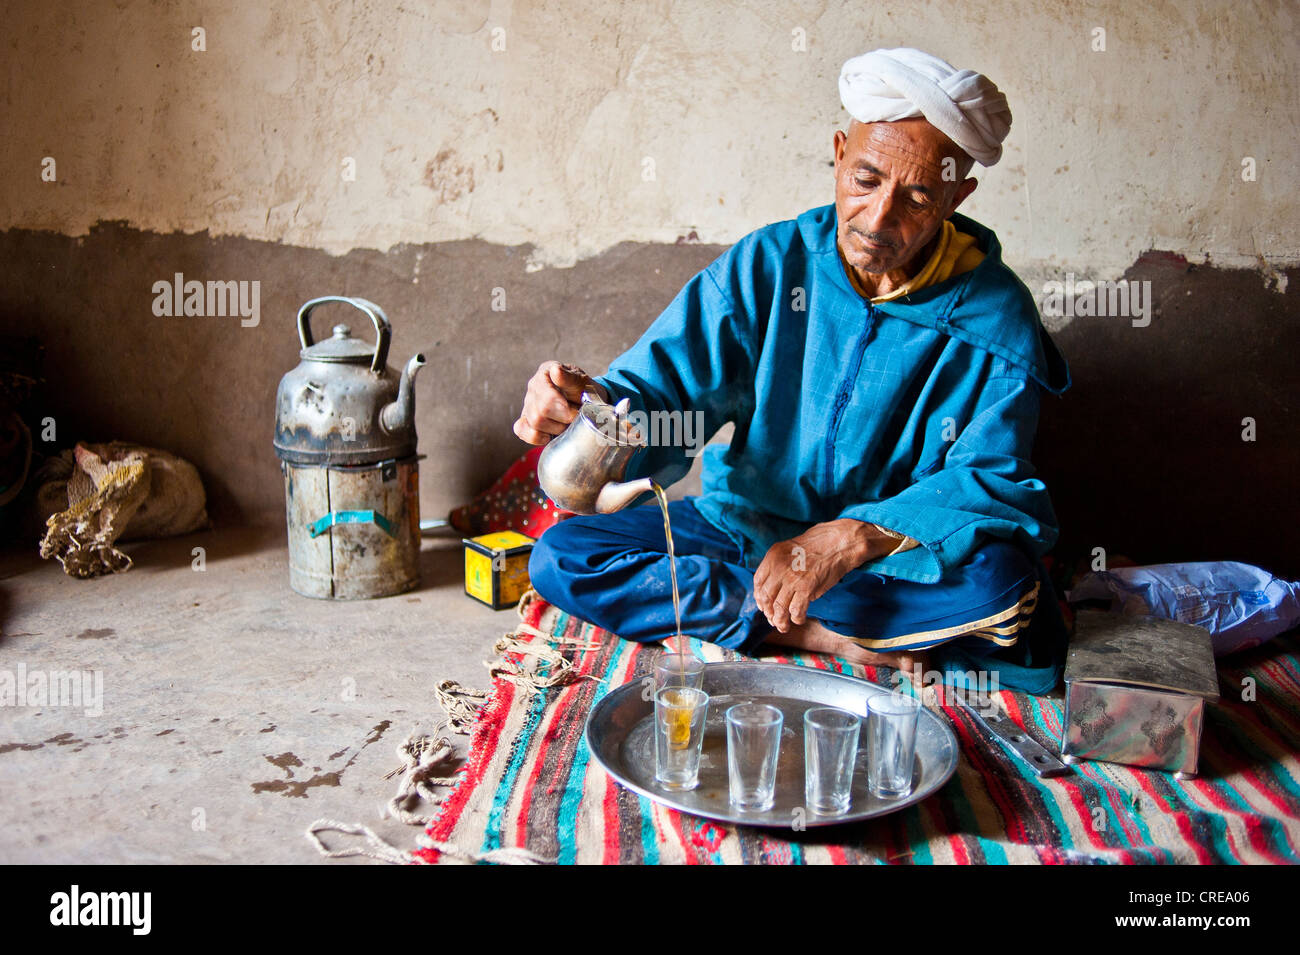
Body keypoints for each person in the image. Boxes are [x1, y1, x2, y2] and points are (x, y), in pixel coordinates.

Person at [513, 48, 1071, 694]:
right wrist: (592, 407)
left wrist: (848, 538)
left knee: (1006, 588)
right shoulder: (773, 265)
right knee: (563, 556)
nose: (879, 218)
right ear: (839, 153)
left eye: (917, 196)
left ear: (956, 196)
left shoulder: (997, 316)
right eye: (865, 178)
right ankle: (811, 631)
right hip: (747, 532)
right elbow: (662, 395)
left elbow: (989, 479)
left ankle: (806, 610)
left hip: (884, 562)